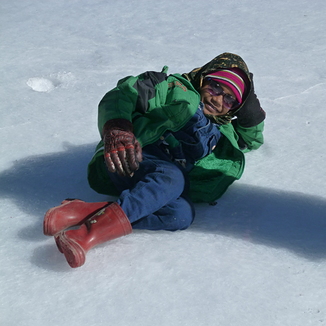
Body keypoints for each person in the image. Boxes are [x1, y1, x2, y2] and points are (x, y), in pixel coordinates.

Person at [43, 52, 266, 268]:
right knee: (172, 177)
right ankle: (85, 236)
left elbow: (252, 139)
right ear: (204, 78)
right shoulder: (174, 89)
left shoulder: (225, 130)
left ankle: (79, 212)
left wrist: (250, 107)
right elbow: (123, 93)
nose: (217, 98)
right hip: (128, 158)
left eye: (229, 98)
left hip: (159, 186)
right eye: (215, 86)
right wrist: (117, 127)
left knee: (181, 215)